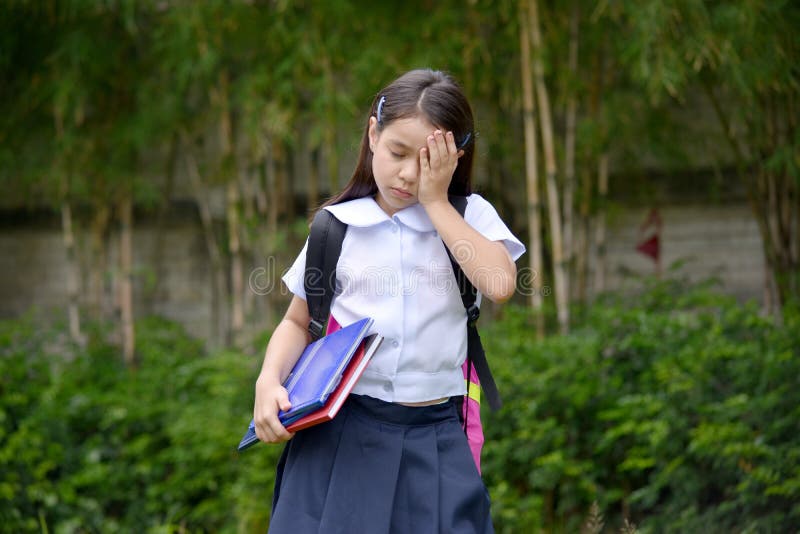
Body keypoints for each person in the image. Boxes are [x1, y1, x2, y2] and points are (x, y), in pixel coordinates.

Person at [253, 68, 525, 533]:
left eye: (427, 161)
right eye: (398, 153)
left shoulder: (468, 216)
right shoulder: (337, 226)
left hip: (436, 436)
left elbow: (500, 283)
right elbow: (298, 322)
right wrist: (267, 379)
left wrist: (436, 202)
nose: (408, 174)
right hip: (342, 433)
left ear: (453, 159)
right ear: (373, 135)